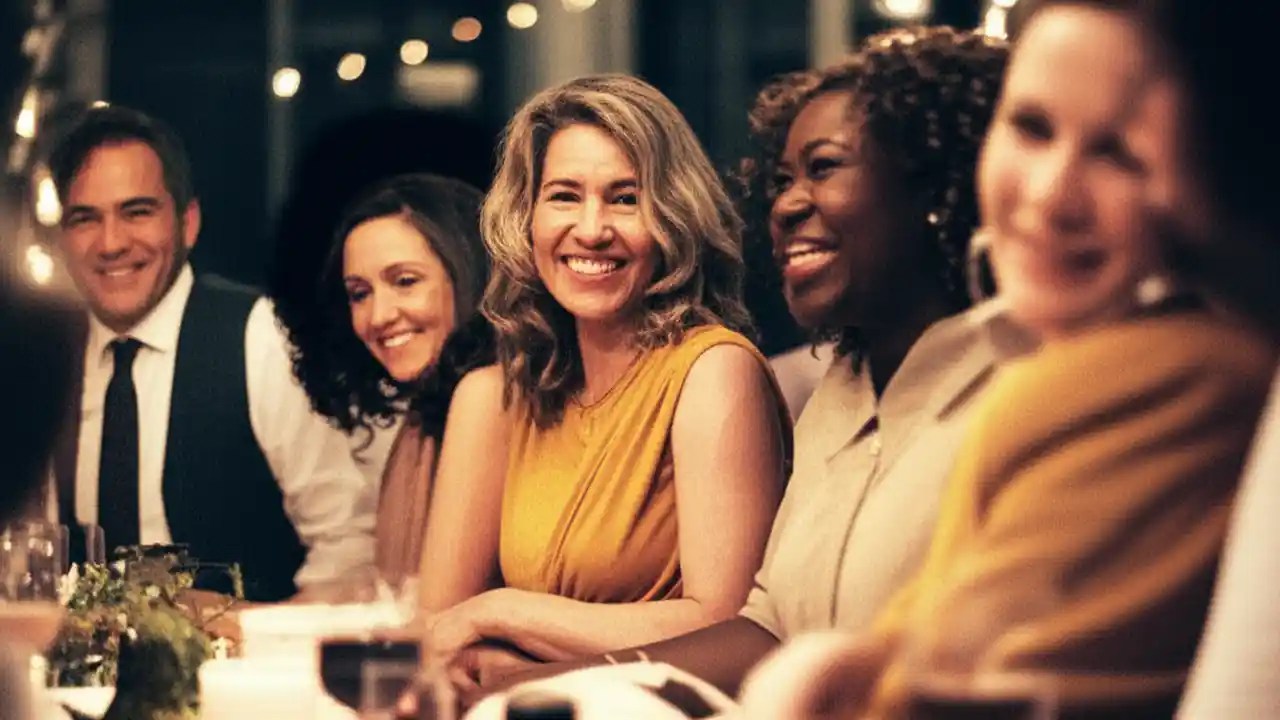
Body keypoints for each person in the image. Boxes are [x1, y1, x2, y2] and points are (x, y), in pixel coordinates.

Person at [738, 2, 1280, 717]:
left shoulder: (1176, 375)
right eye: (1031, 127)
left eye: (1120, 151)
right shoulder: (847, 390)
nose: (1052, 194)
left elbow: (959, 693)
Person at [462, 27, 1011, 707]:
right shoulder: (842, 395)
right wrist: (516, 687)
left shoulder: (1017, 393)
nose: (786, 204)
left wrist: (507, 635)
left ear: (935, 187)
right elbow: (764, 629)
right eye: (782, 180)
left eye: (826, 167)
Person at [415, 74, 791, 685]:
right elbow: (438, 633)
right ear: (526, 215)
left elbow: (729, 623)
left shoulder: (713, 370)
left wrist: (503, 612)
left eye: (625, 198)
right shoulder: (503, 396)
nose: (591, 229)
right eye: (564, 196)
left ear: (674, 216)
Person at [46, 105, 376, 602]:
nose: (111, 243)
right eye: (84, 218)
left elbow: (348, 548)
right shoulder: (42, 358)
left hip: (246, 671)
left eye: (137, 212)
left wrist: (255, 635)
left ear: (188, 222)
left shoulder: (261, 336)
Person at [290, 173, 493, 587]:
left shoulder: (490, 394)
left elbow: (430, 623)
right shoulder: (423, 413)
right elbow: (396, 602)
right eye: (360, 293)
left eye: (405, 282)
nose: (379, 315)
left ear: (467, 272)